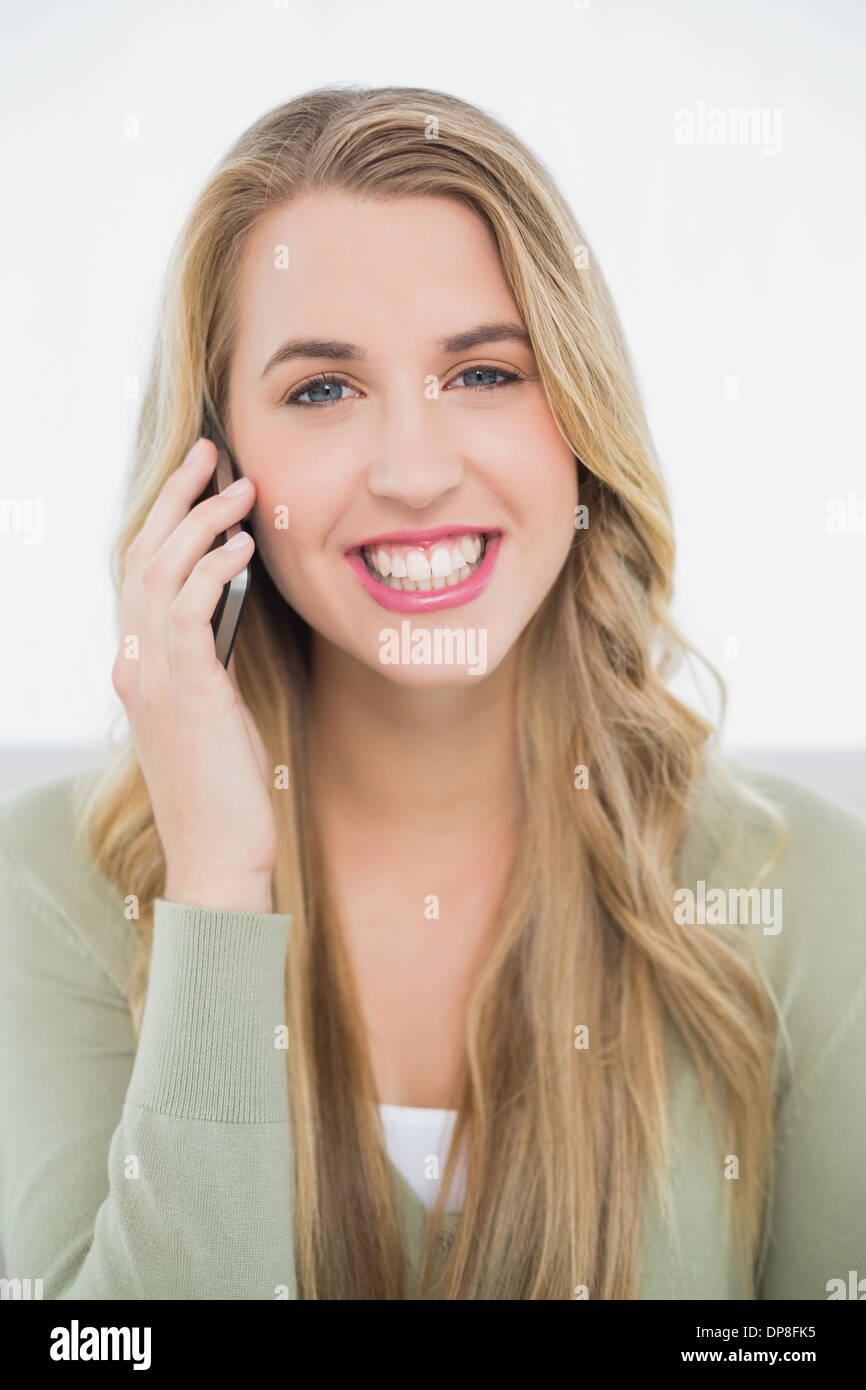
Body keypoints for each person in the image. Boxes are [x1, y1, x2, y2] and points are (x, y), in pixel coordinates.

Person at [1, 85, 864, 1301]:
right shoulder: (44, 888)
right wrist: (216, 886)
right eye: (321, 389)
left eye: (482, 372)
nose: (413, 472)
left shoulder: (807, 891)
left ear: (580, 420)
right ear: (213, 471)